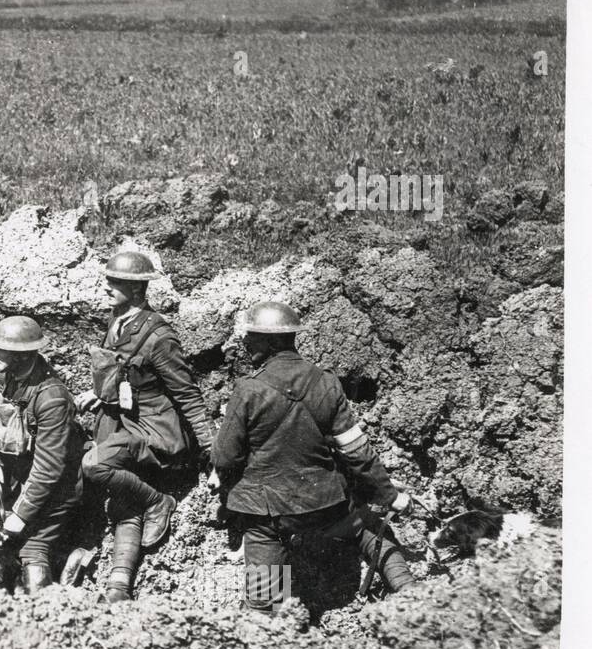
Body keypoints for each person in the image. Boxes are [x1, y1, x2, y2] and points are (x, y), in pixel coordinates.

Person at [211, 300, 414, 617]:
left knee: (263, 570)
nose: (246, 342)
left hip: (268, 513)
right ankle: (410, 592)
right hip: (324, 505)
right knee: (365, 526)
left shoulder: (248, 389)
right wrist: (389, 495)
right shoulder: (326, 383)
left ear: (270, 341)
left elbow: (224, 458)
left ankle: (266, 619)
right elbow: (357, 451)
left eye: (252, 336)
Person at [77, 251, 215, 602]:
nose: (107, 287)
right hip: (121, 416)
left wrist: (214, 451)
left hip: (153, 428)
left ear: (138, 290)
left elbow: (188, 394)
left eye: (116, 282)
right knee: (120, 497)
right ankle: (118, 588)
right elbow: (120, 372)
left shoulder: (159, 337)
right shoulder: (117, 320)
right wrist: (98, 393)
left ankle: (159, 503)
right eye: (108, 280)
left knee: (95, 465)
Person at [0, 315, 84, 595]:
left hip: (57, 487)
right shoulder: (10, 379)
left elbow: (50, 468)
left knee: (32, 547)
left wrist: (21, 515)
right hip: (22, 477)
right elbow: (2, 424)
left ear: (22, 356)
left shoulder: (52, 398)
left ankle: (43, 611)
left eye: (2, 349)